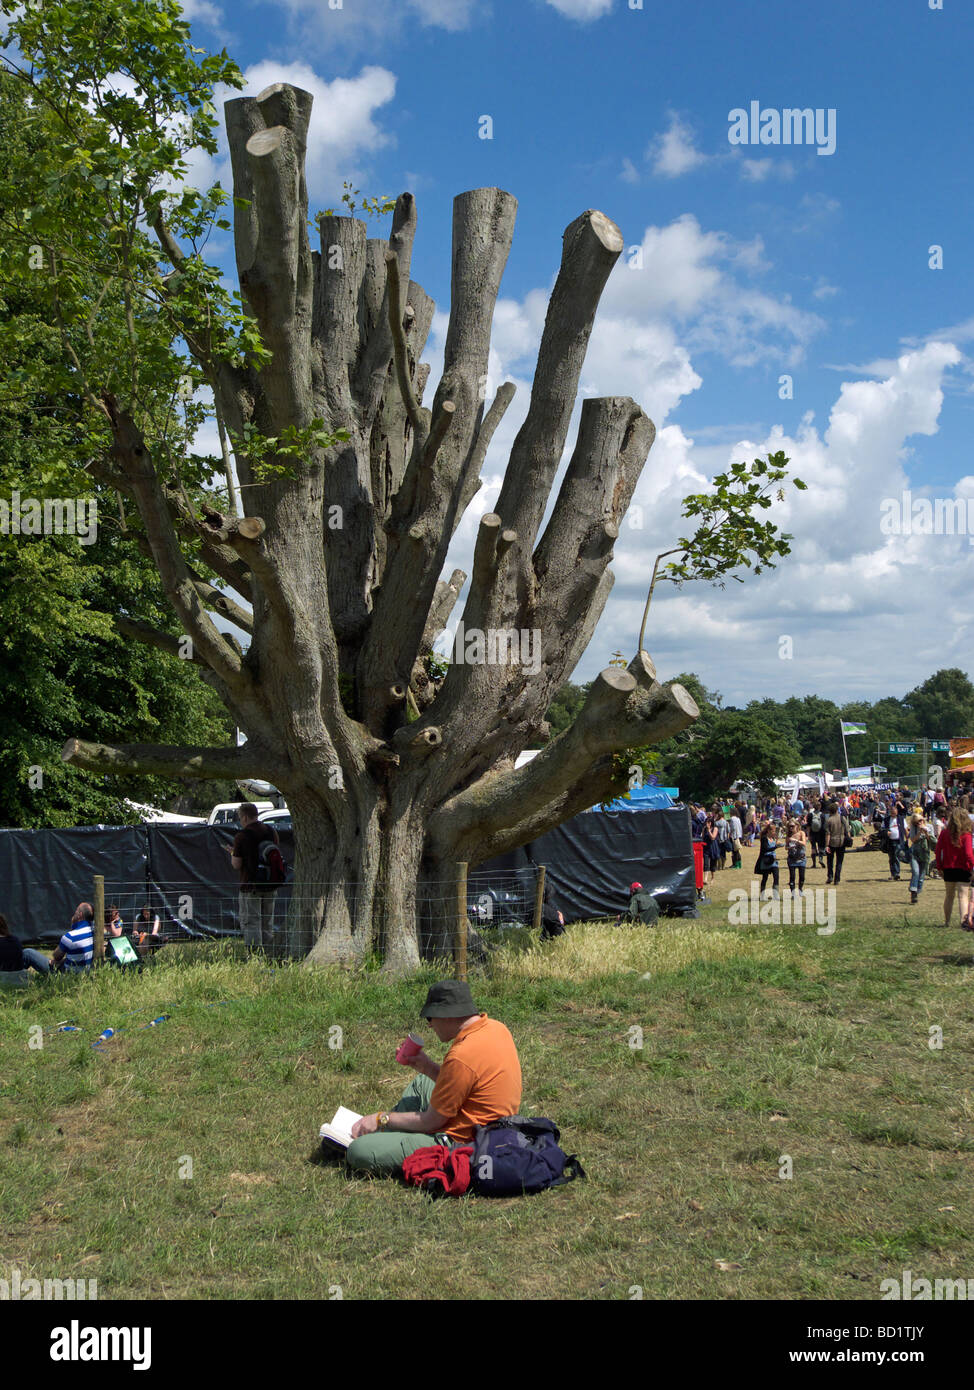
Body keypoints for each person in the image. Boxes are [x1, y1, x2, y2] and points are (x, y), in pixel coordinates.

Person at [344, 980, 522, 1178]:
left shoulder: (461, 1056)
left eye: (430, 1018)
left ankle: (385, 1134)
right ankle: (391, 1133)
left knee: (358, 1151)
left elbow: (431, 1122)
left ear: (446, 1015)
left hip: (461, 1141)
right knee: (422, 1083)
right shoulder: (497, 1028)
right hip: (494, 1125)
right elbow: (466, 1083)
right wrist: (427, 1067)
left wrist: (381, 1118)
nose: (429, 1025)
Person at [230, 804, 281, 952]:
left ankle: (255, 955)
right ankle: (269, 952)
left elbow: (236, 864)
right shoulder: (271, 832)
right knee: (267, 923)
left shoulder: (242, 836)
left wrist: (233, 853)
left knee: (251, 922)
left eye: (240, 818)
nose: (240, 821)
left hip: (250, 885)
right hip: (271, 883)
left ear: (245, 817)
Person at [934, 807, 974, 928]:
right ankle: (963, 922)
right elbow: (968, 853)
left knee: (949, 895)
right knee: (963, 896)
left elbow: (938, 850)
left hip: (948, 867)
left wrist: (939, 867)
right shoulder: (966, 835)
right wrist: (972, 866)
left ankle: (947, 922)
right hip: (963, 868)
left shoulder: (944, 833)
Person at [0, 913, 50, 977]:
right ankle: (53, 970)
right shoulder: (14, 940)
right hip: (17, 975)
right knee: (28, 952)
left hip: (5, 977)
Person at [52, 903, 95, 972]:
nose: (73, 915)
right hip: (85, 972)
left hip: (67, 974)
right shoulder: (93, 932)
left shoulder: (70, 936)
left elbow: (56, 956)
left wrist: (73, 925)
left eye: (75, 913)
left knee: (28, 953)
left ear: (79, 915)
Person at [907, 812, 935, 905]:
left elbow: (932, 840)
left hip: (925, 853)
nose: (919, 823)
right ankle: (913, 892)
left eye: (920, 821)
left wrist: (926, 832)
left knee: (922, 876)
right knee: (915, 872)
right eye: (916, 822)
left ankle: (917, 890)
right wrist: (919, 832)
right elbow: (913, 840)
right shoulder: (914, 829)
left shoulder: (929, 827)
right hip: (914, 853)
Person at [824, 803, 847, 886]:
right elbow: (847, 830)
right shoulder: (842, 818)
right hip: (841, 841)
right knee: (839, 862)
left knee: (830, 861)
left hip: (832, 842)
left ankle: (830, 876)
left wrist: (826, 845)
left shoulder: (829, 820)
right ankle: (837, 879)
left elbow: (828, 834)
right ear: (837, 810)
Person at [755, 823, 779, 899]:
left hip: (773, 860)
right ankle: (762, 895)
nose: (774, 832)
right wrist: (776, 847)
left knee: (776, 876)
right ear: (768, 831)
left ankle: (775, 894)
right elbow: (765, 849)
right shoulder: (764, 838)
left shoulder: (774, 838)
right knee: (765, 877)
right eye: (773, 831)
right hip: (766, 860)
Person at [786, 819, 807, 896]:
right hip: (792, 858)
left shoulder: (801, 833)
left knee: (802, 877)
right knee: (792, 877)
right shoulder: (788, 835)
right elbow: (786, 847)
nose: (790, 828)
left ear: (797, 826)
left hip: (801, 858)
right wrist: (789, 847)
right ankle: (793, 893)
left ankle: (800, 889)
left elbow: (804, 843)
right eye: (789, 826)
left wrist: (795, 840)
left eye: (792, 826)